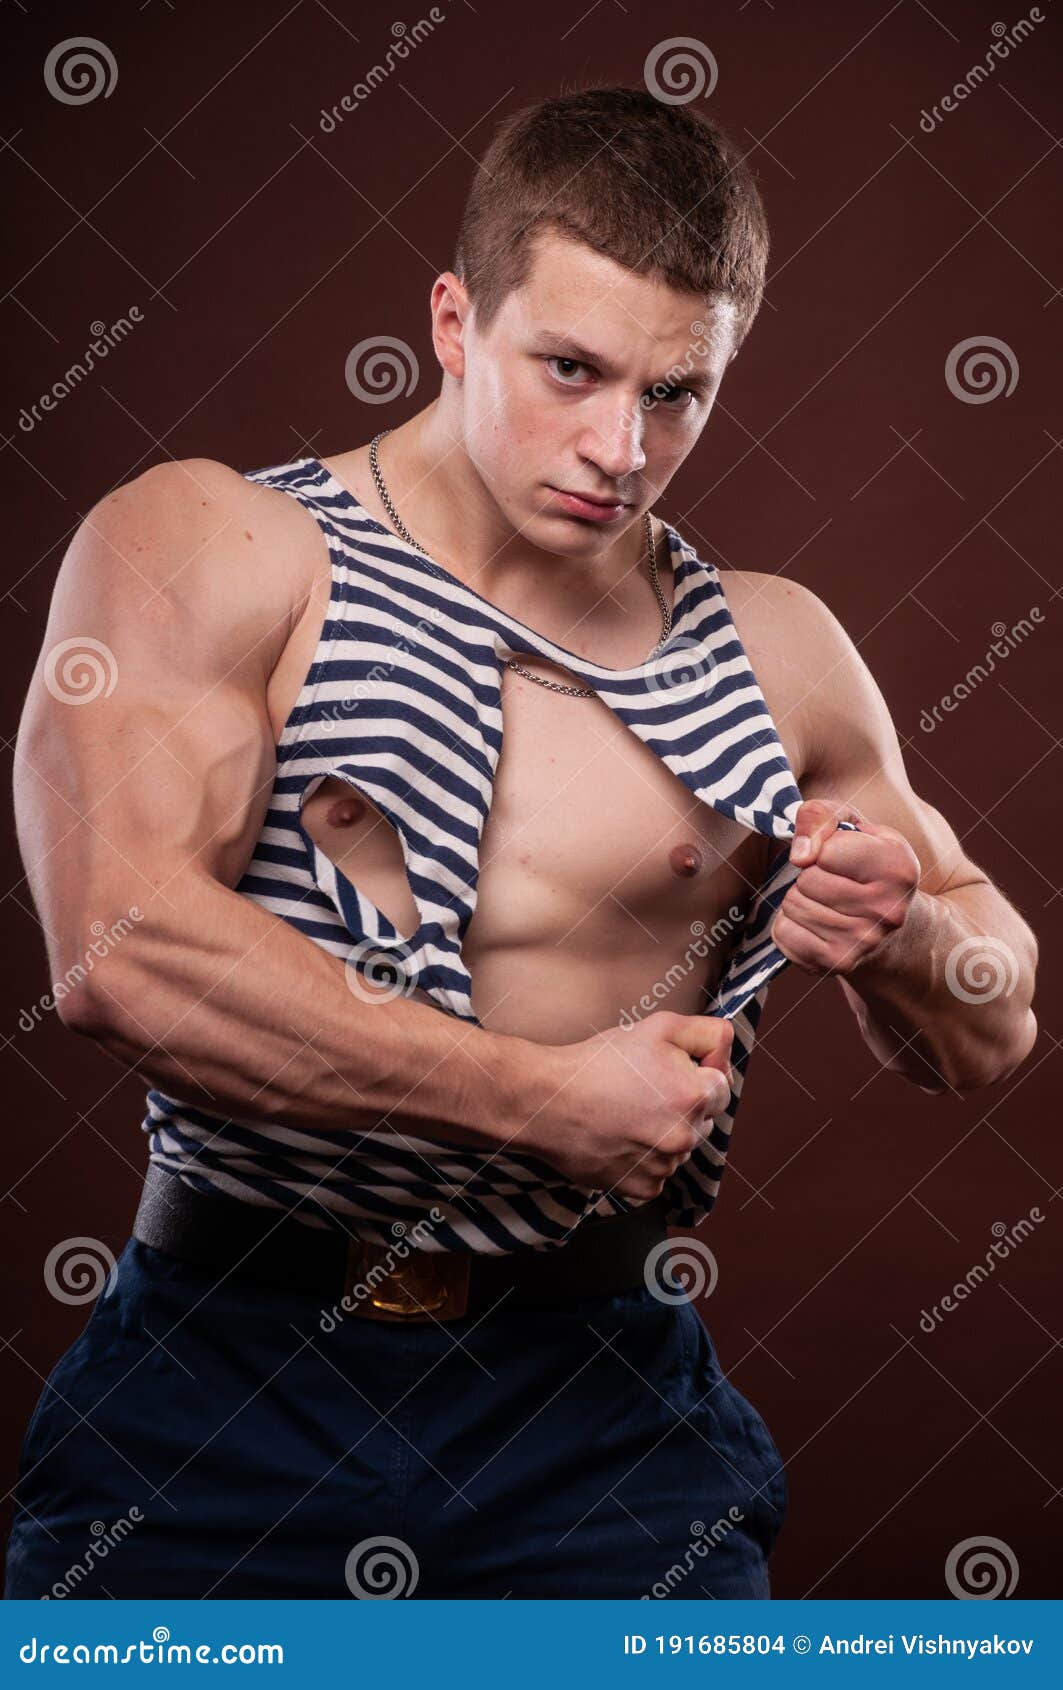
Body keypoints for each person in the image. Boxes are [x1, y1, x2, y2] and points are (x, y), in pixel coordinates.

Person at [5, 85, 1037, 1601]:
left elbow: (996, 1012)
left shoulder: (773, 651)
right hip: (226, 1381)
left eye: (677, 393)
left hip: (600, 1413)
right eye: (571, 367)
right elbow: (121, 950)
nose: (622, 445)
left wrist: (907, 937)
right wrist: (542, 1102)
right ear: (452, 320)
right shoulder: (223, 550)